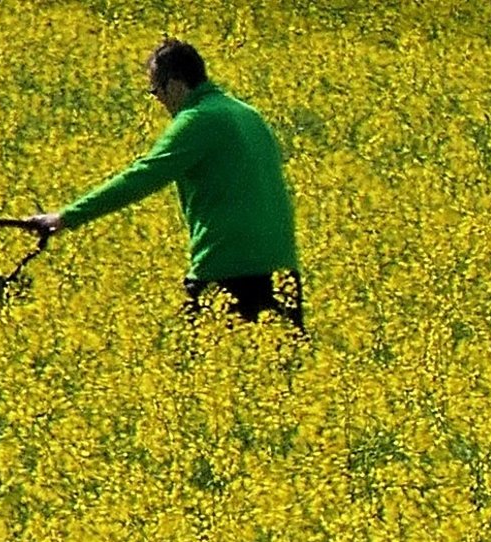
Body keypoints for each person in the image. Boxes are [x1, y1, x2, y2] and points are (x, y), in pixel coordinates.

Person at [28, 39, 302, 328]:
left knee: (197, 352)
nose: (158, 99)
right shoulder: (249, 114)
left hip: (228, 267)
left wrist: (66, 217)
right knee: (282, 354)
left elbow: (142, 176)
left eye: (155, 90)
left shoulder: (199, 120)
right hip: (282, 268)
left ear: (173, 84)